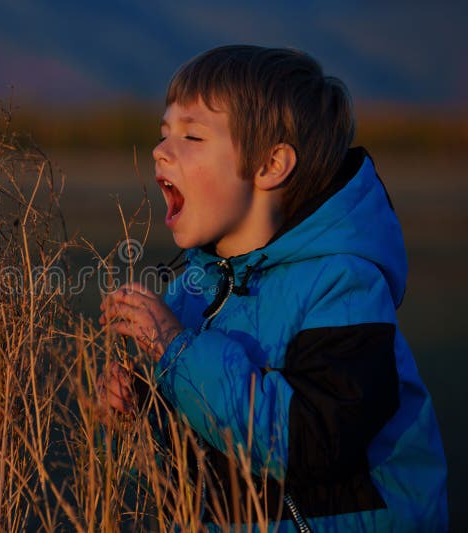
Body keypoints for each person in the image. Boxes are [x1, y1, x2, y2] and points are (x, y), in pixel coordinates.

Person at [96, 45, 448, 531]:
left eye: (192, 135)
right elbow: (206, 458)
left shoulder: (343, 285)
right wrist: (142, 415)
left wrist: (176, 353)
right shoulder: (190, 292)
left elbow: (309, 444)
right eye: (163, 133)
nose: (161, 150)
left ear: (270, 165)